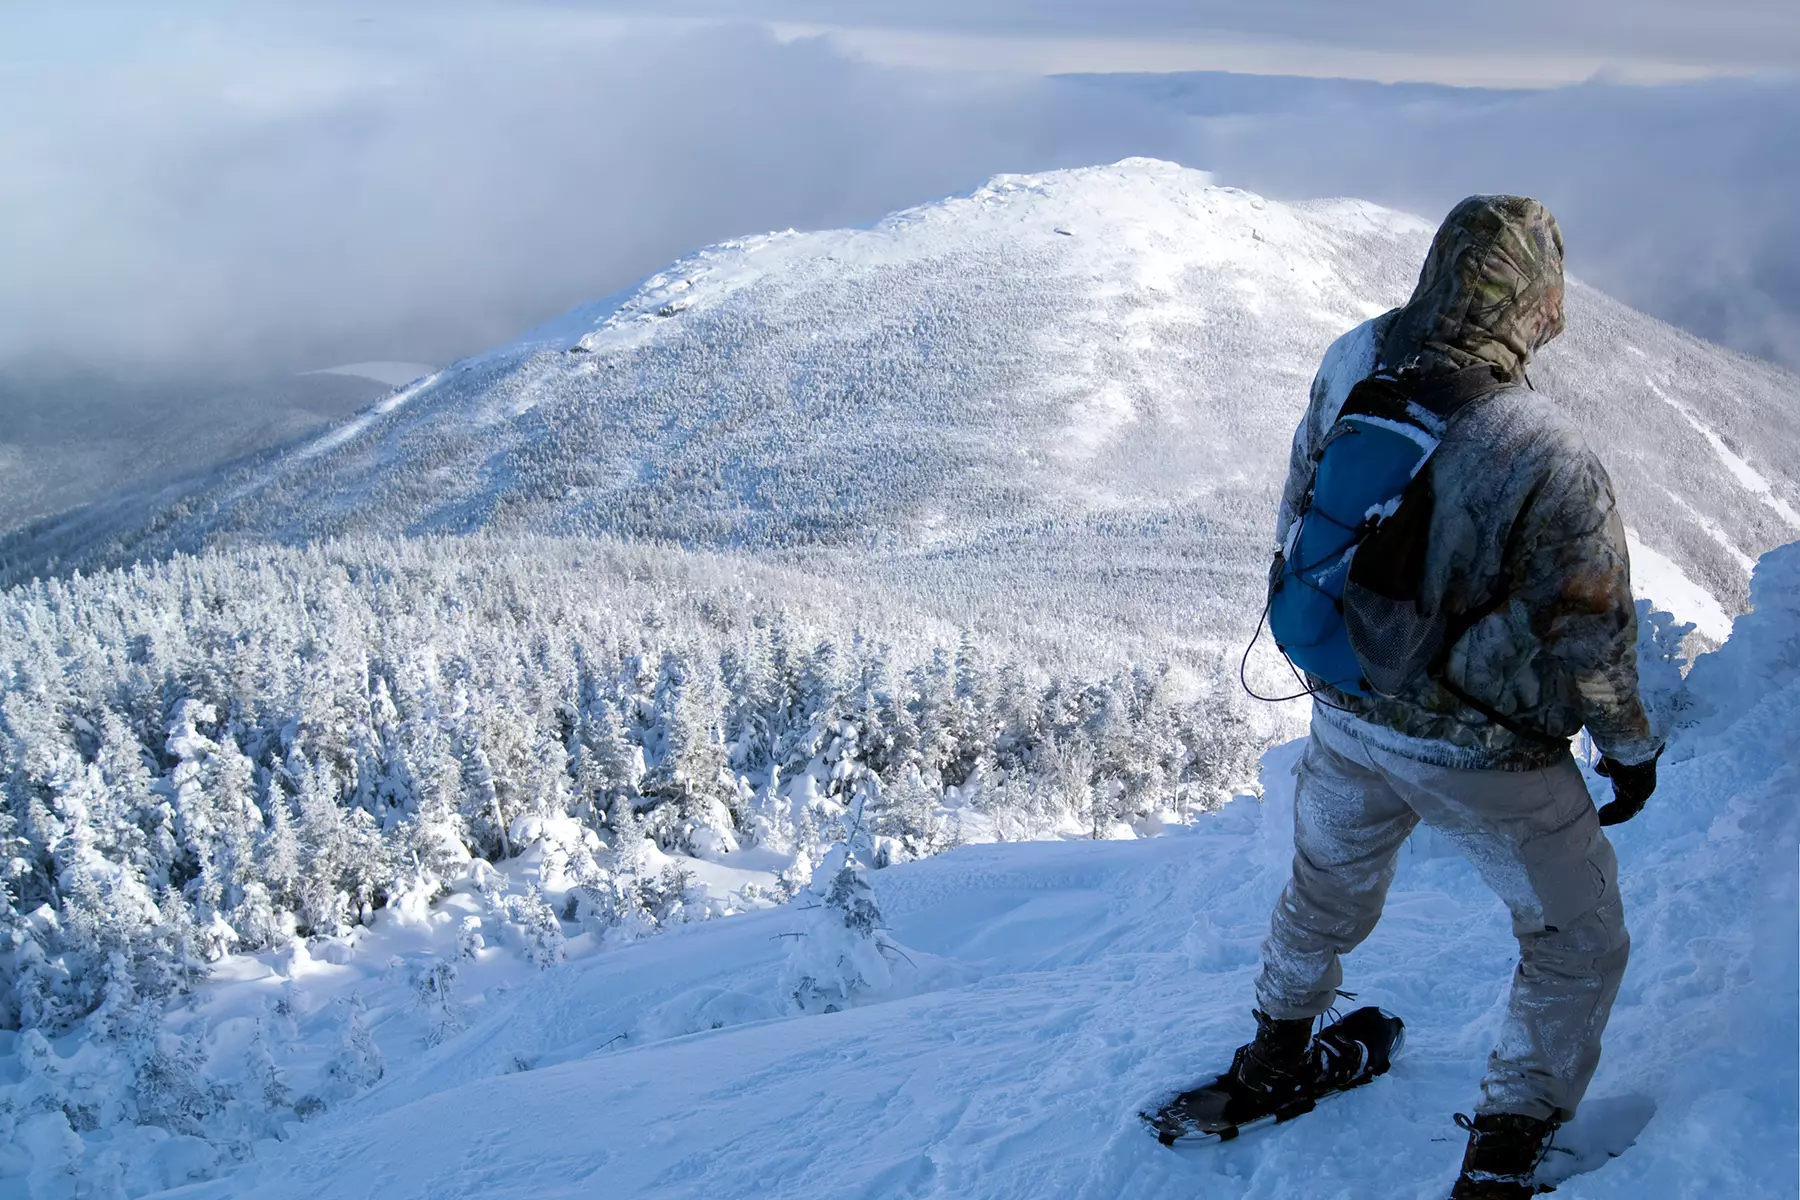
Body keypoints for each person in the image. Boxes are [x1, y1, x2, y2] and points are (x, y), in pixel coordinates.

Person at [1234, 196, 1663, 1199]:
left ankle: (1276, 1052)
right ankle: (1507, 1154)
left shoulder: (1357, 359)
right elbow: (1593, 631)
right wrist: (1630, 750)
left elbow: (1302, 501)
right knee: (1574, 940)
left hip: (1343, 702)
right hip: (1480, 756)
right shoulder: (1545, 451)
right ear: (1540, 304)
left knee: (1326, 886)